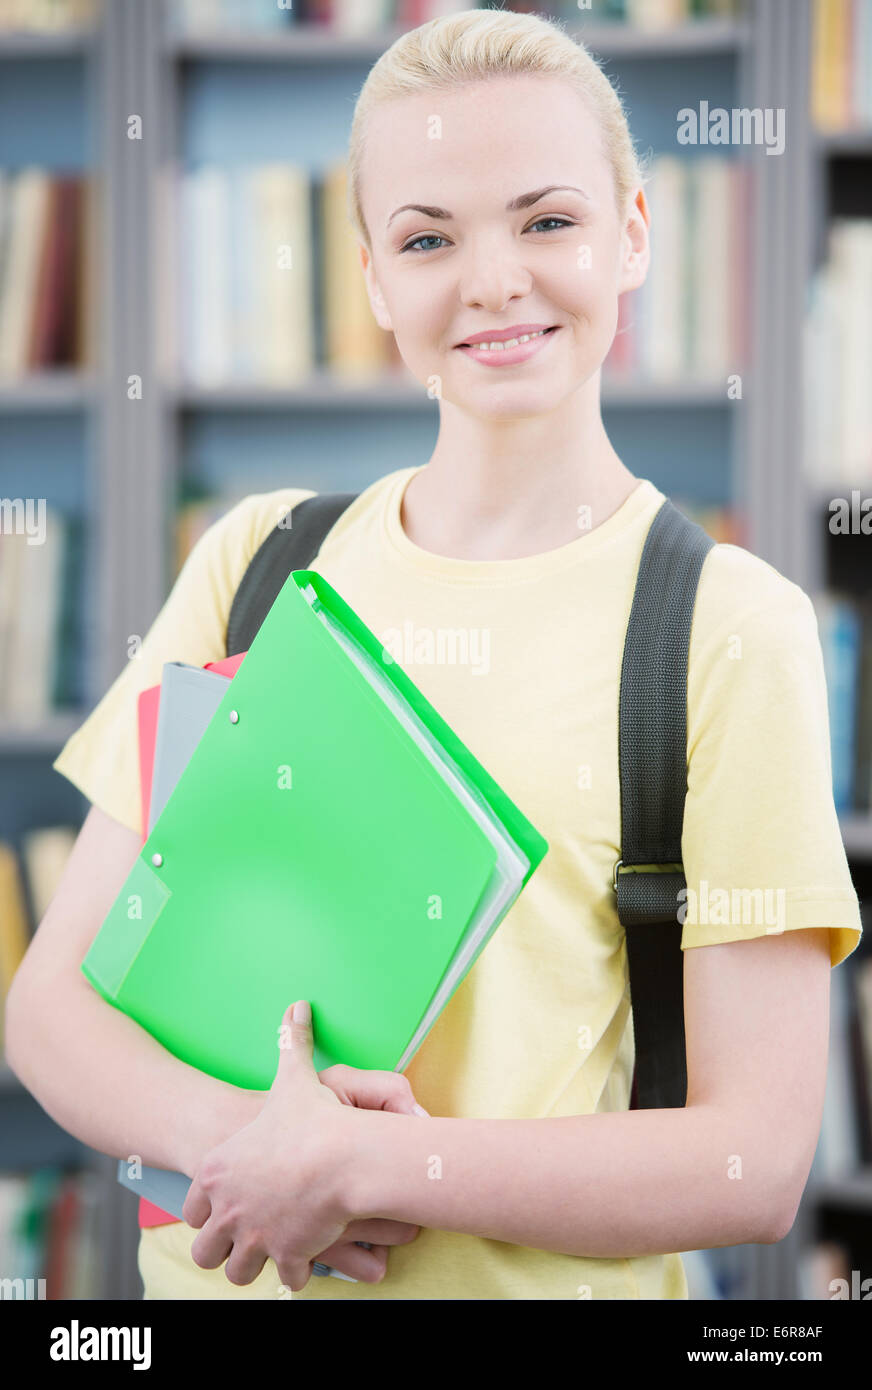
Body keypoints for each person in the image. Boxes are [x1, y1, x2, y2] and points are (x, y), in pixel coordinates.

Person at [5, 8, 862, 1301]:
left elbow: (750, 1162)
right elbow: (52, 1011)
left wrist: (368, 1170)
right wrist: (251, 1153)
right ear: (371, 279)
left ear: (633, 235)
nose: (494, 281)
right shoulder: (257, 567)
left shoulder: (728, 626)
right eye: (426, 238)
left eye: (548, 220)